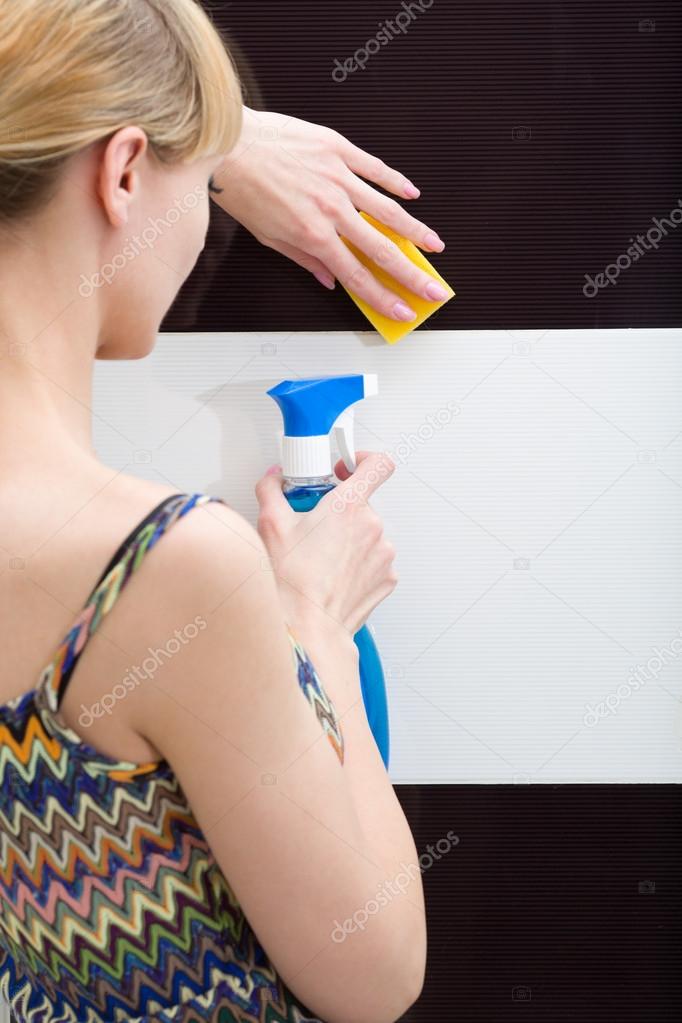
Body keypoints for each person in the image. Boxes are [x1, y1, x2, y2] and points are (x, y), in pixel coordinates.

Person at [0, 2, 432, 1022]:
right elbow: (372, 979)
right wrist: (314, 628)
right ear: (120, 173)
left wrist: (216, 138)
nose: (202, 226)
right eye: (204, 185)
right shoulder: (161, 569)